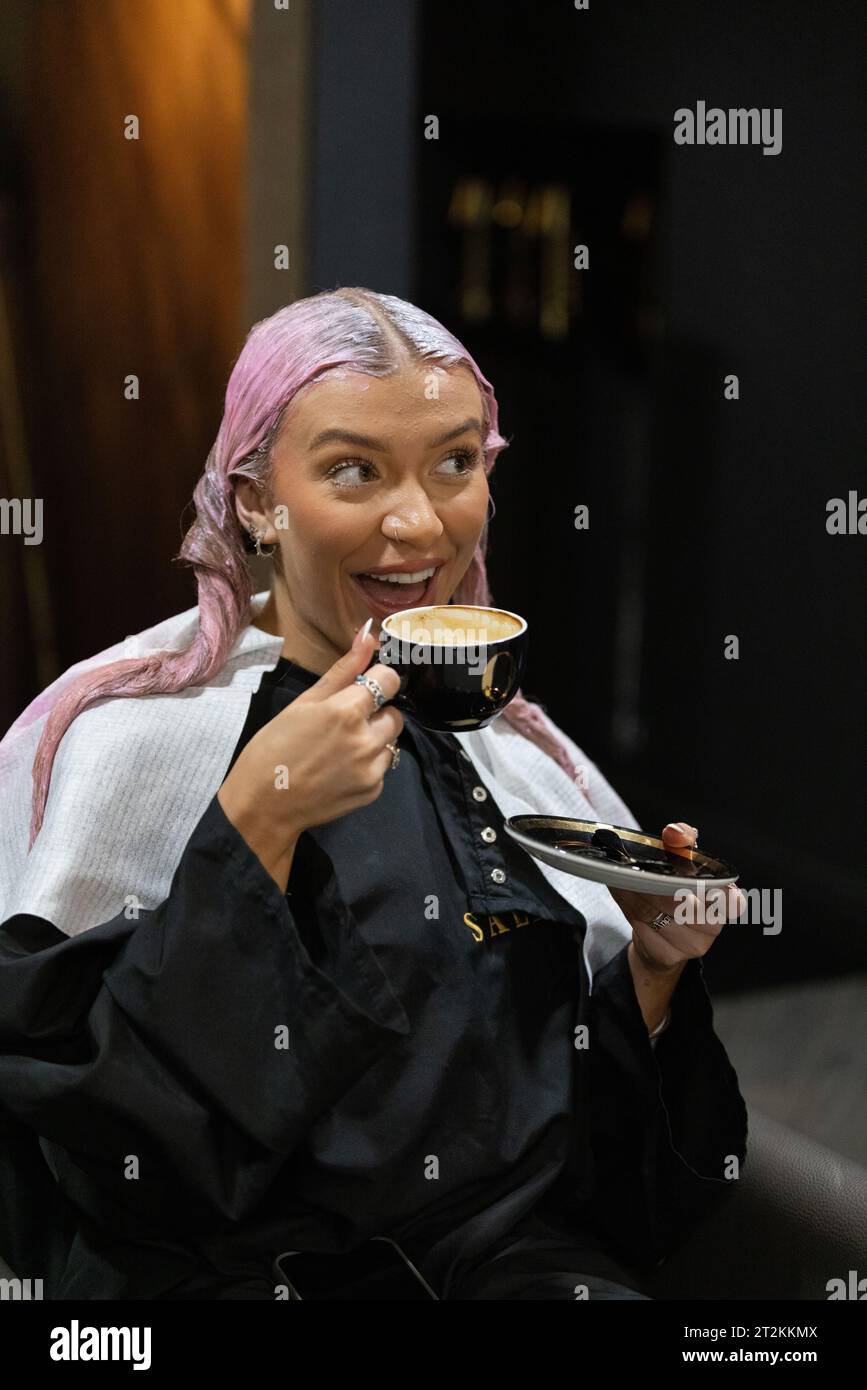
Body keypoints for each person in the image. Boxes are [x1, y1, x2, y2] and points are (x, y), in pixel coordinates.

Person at [0, 288, 748, 1300]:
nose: (418, 520)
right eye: (353, 469)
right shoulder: (133, 742)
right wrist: (258, 819)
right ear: (257, 500)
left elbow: (578, 1160)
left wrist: (652, 972)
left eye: (454, 463)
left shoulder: (518, 750)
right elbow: (106, 1157)